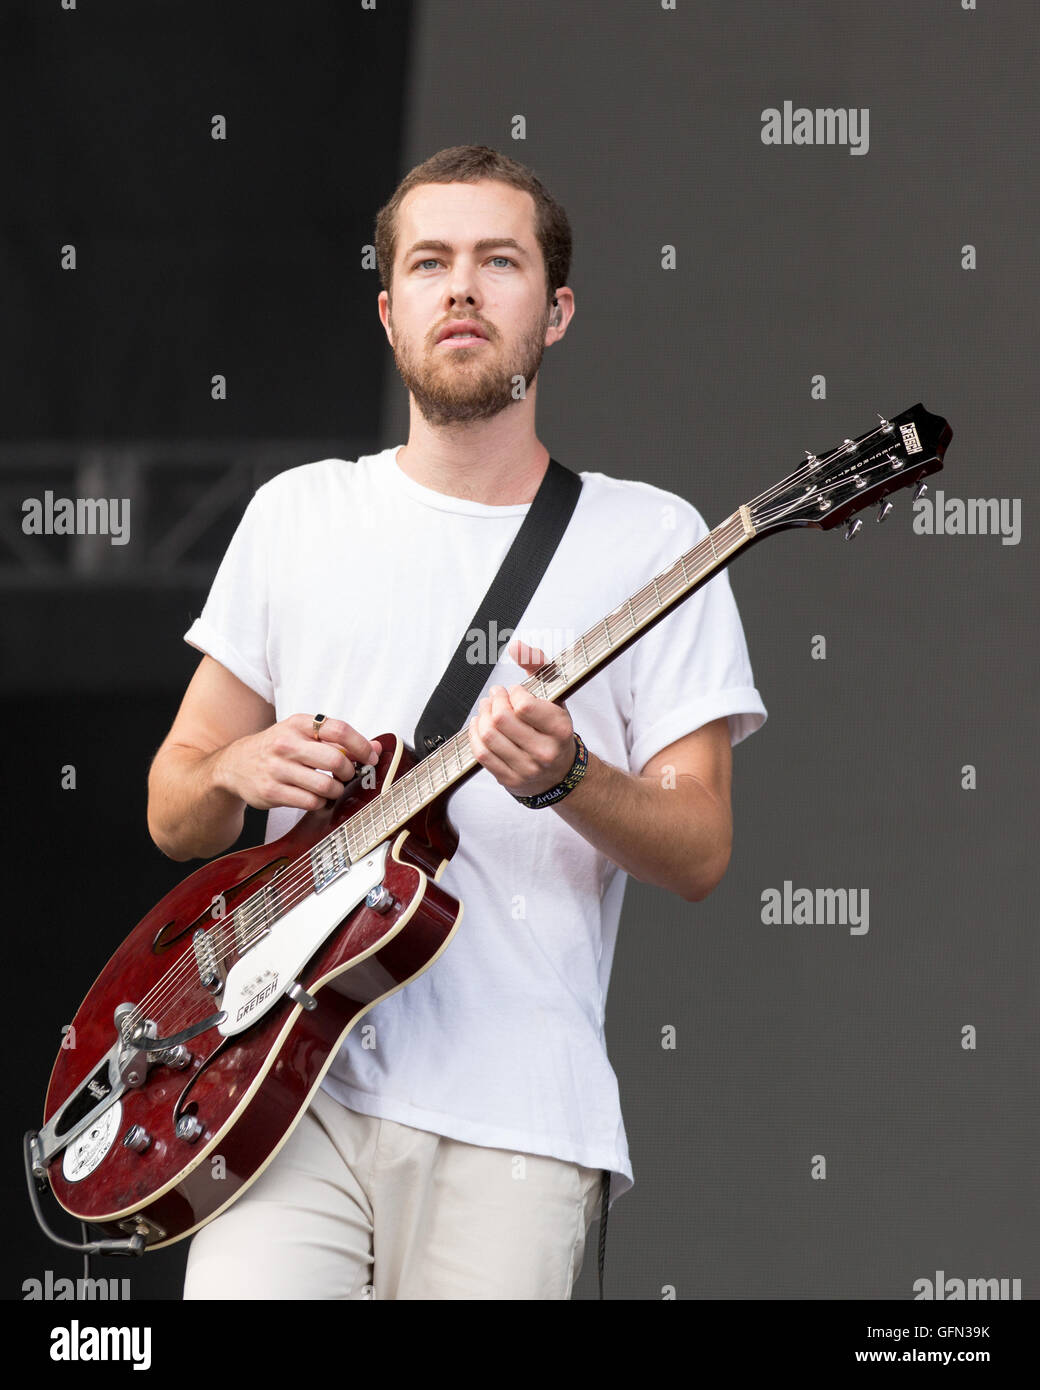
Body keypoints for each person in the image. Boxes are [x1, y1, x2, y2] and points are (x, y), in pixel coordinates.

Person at [147, 144, 767, 1300]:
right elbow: (174, 807)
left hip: (514, 1109)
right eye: (429, 263)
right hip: (284, 1089)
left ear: (557, 310)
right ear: (390, 313)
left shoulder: (651, 540)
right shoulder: (299, 515)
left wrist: (569, 773)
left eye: (499, 260)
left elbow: (701, 849)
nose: (462, 288)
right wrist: (240, 758)